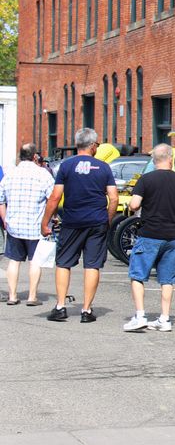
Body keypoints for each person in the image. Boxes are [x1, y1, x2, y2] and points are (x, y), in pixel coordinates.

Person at [41, 128, 118, 323]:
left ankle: (60, 307)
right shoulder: (103, 167)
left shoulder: (66, 166)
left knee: (63, 262)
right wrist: (107, 220)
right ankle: (86, 310)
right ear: (93, 146)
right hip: (97, 220)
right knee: (92, 264)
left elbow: (55, 197)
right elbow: (114, 198)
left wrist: (45, 222)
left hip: (72, 221)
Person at [123, 144, 175, 332]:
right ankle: (164, 318)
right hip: (172, 236)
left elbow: (134, 204)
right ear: (170, 158)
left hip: (149, 233)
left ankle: (140, 315)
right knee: (167, 279)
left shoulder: (146, 180)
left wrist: (139, 204)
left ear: (154, 160)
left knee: (137, 275)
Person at [0, 144, 54, 305]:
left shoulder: (10, 174)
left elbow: (1, 200)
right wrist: (51, 219)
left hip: (14, 225)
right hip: (36, 225)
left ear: (20, 156)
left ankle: (12, 296)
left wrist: (5, 220)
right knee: (35, 261)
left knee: (14, 260)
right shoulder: (43, 174)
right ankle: (31, 296)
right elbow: (53, 198)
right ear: (35, 156)